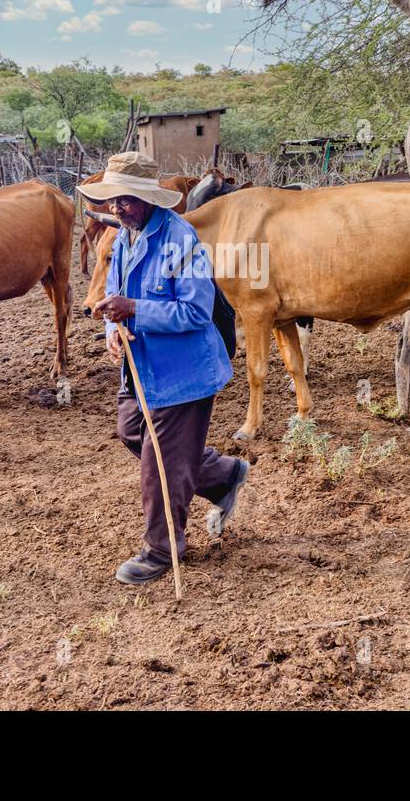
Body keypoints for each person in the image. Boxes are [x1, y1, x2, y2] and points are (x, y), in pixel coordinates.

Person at [78, 152, 249, 585]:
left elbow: (194, 311)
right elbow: (113, 296)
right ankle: (222, 474)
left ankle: (161, 548)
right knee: (130, 429)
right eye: (113, 199)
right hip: (141, 365)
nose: (118, 208)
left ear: (150, 199)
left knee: (161, 462)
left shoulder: (180, 241)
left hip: (183, 373)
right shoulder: (124, 239)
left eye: (127, 200)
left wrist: (133, 309)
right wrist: (113, 331)